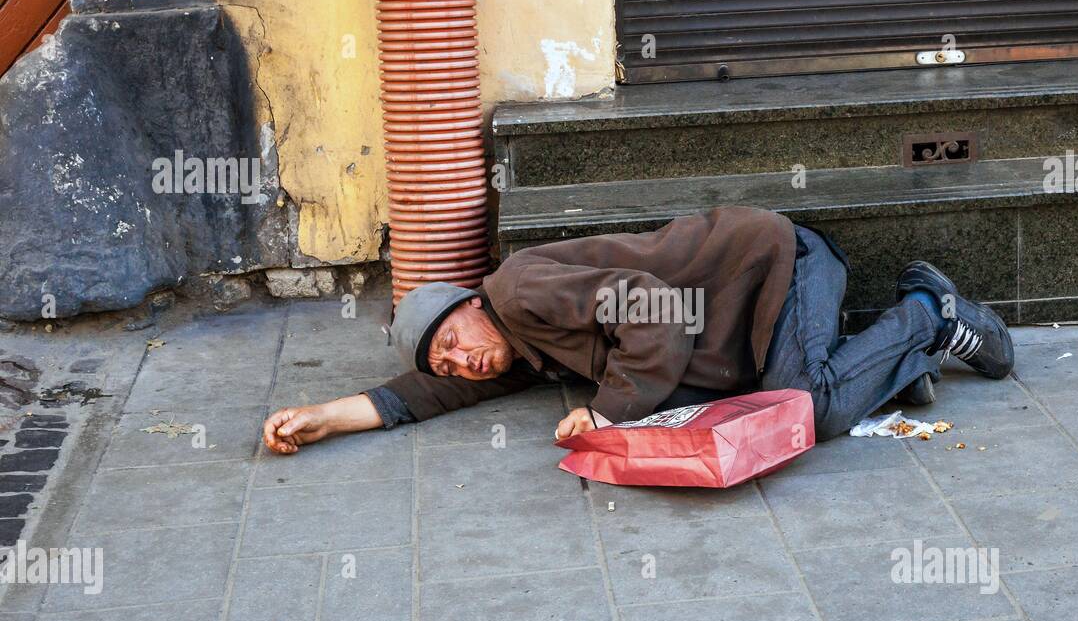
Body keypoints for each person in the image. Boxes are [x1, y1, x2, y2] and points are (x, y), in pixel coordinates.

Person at [261, 206, 1012, 455]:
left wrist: (608, 411)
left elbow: (655, 307)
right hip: (747, 324)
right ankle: (896, 366)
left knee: (802, 412)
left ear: (470, 304)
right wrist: (327, 418)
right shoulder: (518, 348)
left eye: (452, 341)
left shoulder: (518, 292)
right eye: (449, 365)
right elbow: (421, 396)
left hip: (774, 269)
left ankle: (928, 313)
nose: (460, 362)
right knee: (793, 406)